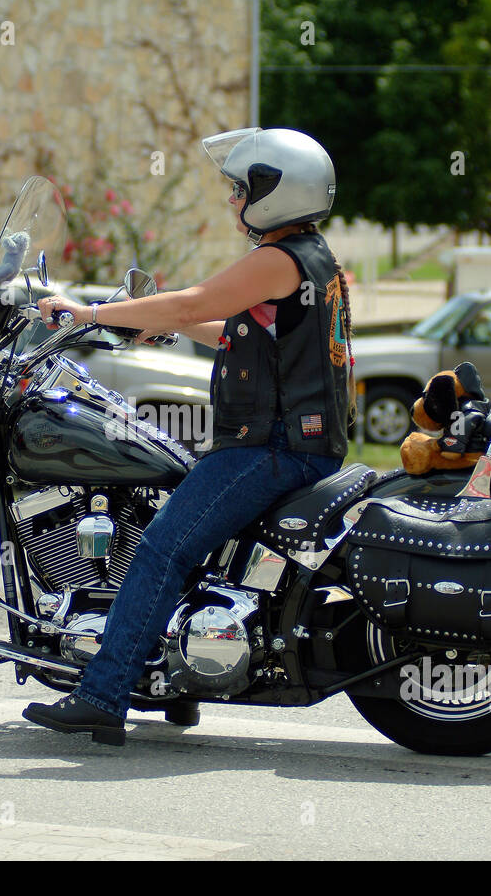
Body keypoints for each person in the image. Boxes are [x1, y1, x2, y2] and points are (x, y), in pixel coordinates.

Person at [22, 127, 354, 746]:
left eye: (240, 189)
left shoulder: (277, 261)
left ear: (275, 192)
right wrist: (163, 332)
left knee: (161, 548)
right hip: (295, 442)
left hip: (274, 447)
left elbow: (187, 302)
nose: (232, 200)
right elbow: (230, 329)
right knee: (180, 534)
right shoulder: (312, 258)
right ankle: (173, 688)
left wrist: (86, 313)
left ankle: (102, 694)